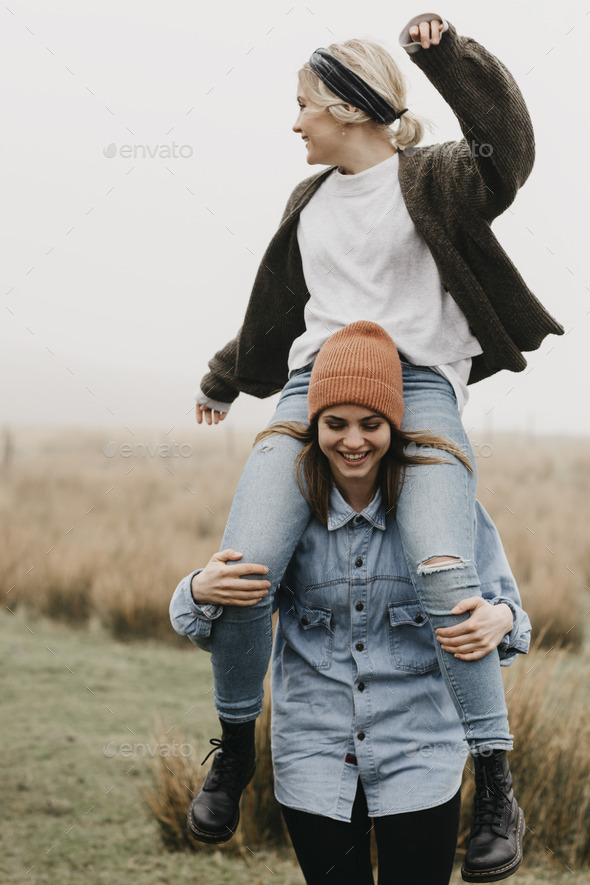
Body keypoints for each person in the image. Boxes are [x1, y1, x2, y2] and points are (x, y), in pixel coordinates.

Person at [185, 11, 562, 880]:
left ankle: (495, 779)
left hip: (419, 387)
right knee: (242, 569)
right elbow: (277, 306)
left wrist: (450, 56)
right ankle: (236, 749)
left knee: (442, 572)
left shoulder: (435, 179)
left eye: (305, 104)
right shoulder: (309, 199)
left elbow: (510, 151)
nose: (295, 121)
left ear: (351, 109)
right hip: (314, 387)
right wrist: (221, 377)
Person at [171, 323, 531, 885]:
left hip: (420, 754)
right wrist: (196, 590)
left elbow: (510, 616)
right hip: (313, 755)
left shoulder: (444, 511)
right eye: (335, 424)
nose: (353, 440)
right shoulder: (283, 517)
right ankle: (232, 761)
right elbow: (209, 622)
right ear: (313, 427)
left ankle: (499, 794)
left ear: (396, 425)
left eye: (371, 424)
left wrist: (501, 618)